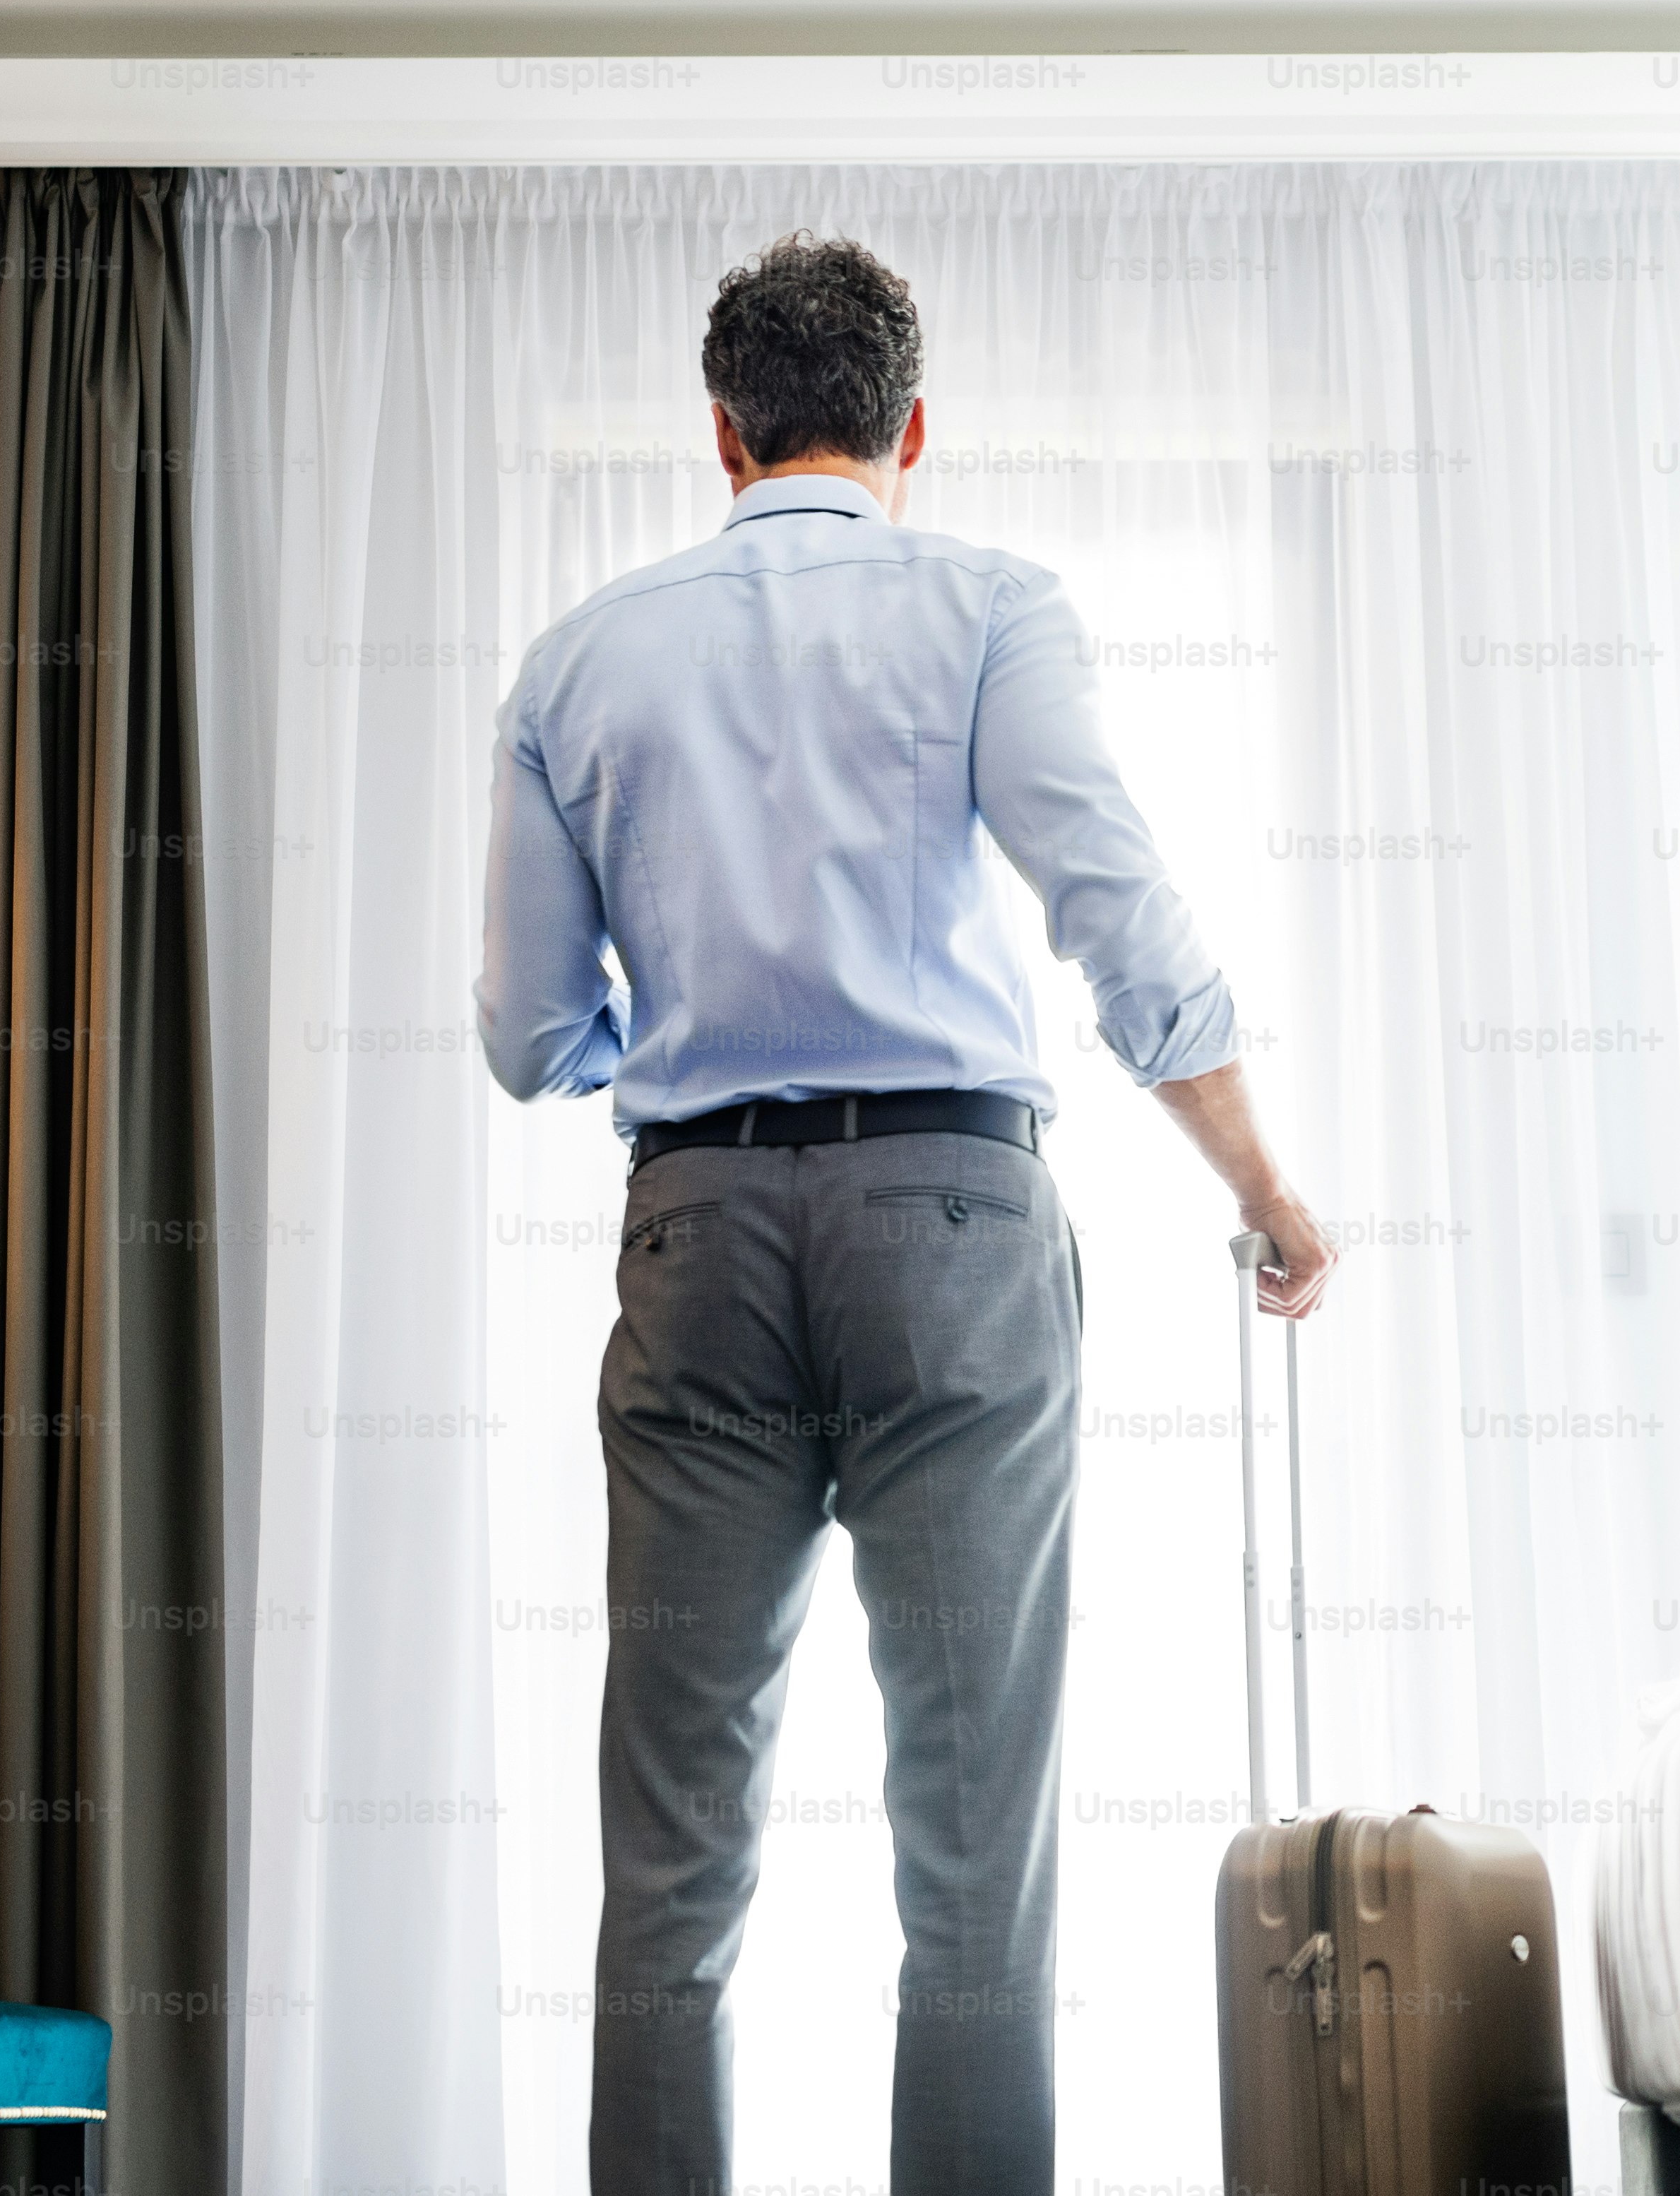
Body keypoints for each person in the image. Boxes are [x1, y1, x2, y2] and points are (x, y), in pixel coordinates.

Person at [476, 230, 1333, 2195]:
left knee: (671, 1856)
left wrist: (689, 1046)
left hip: (695, 1242)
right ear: (911, 429)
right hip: (954, 1225)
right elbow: (1119, 920)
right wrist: (1264, 1187)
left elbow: (530, 1034)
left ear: (721, 433)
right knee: (975, 1843)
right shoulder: (989, 608)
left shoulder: (578, 659)